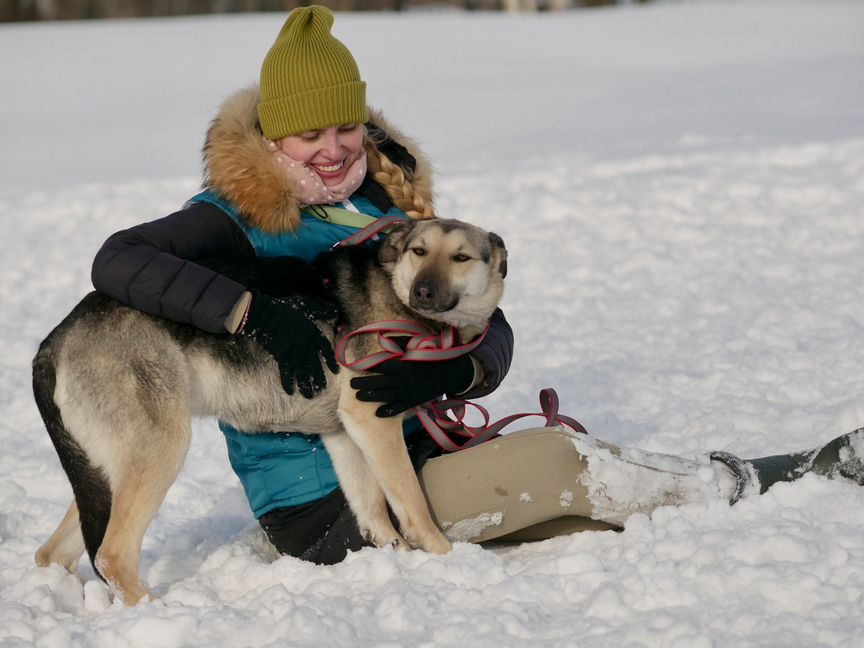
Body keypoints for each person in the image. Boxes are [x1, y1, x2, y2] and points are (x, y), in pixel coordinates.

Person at [90, 6, 864, 565]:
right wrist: (250, 314)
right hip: (327, 503)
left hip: (420, 454)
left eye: (345, 127)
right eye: (308, 133)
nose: (332, 149)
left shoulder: (383, 202)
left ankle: (715, 495)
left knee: (580, 511)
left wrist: (459, 369)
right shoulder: (230, 217)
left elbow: (484, 316)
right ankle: (762, 477)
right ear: (270, 137)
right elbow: (119, 262)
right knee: (558, 466)